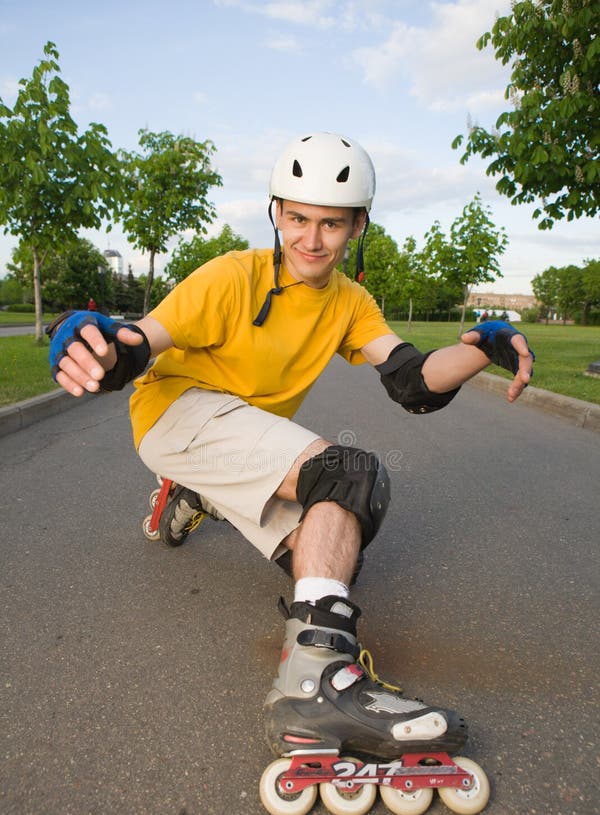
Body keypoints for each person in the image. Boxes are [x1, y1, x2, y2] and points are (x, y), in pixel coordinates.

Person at [48, 132, 534, 782]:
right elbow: (140, 343)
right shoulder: (231, 276)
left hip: (239, 435)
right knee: (349, 476)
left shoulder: (350, 304)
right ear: (275, 212)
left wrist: (483, 349)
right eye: (297, 218)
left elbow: (411, 381)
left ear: (358, 225)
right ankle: (315, 689)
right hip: (174, 412)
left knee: (330, 559)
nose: (311, 239)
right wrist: (95, 343)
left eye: (331, 223)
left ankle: (199, 494)